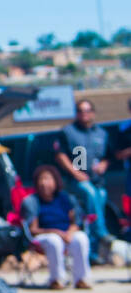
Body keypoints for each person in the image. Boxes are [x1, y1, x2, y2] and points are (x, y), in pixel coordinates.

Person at [55, 99, 112, 264]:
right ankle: (102, 232)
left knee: (95, 209)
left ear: (93, 113)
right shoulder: (68, 132)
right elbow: (60, 155)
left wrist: (103, 164)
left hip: (98, 181)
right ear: (76, 113)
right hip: (76, 182)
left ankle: (93, 255)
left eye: (87, 111)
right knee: (90, 194)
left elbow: (109, 156)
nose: (84, 114)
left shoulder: (101, 133)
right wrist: (75, 172)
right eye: (80, 111)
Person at [21, 165, 91, 289]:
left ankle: (81, 279)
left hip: (66, 234)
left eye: (47, 179)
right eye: (40, 180)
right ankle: (56, 279)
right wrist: (57, 232)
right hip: (44, 236)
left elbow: (76, 221)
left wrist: (70, 232)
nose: (43, 183)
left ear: (55, 181)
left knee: (81, 238)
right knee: (54, 240)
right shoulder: (32, 201)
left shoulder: (65, 198)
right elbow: (33, 229)